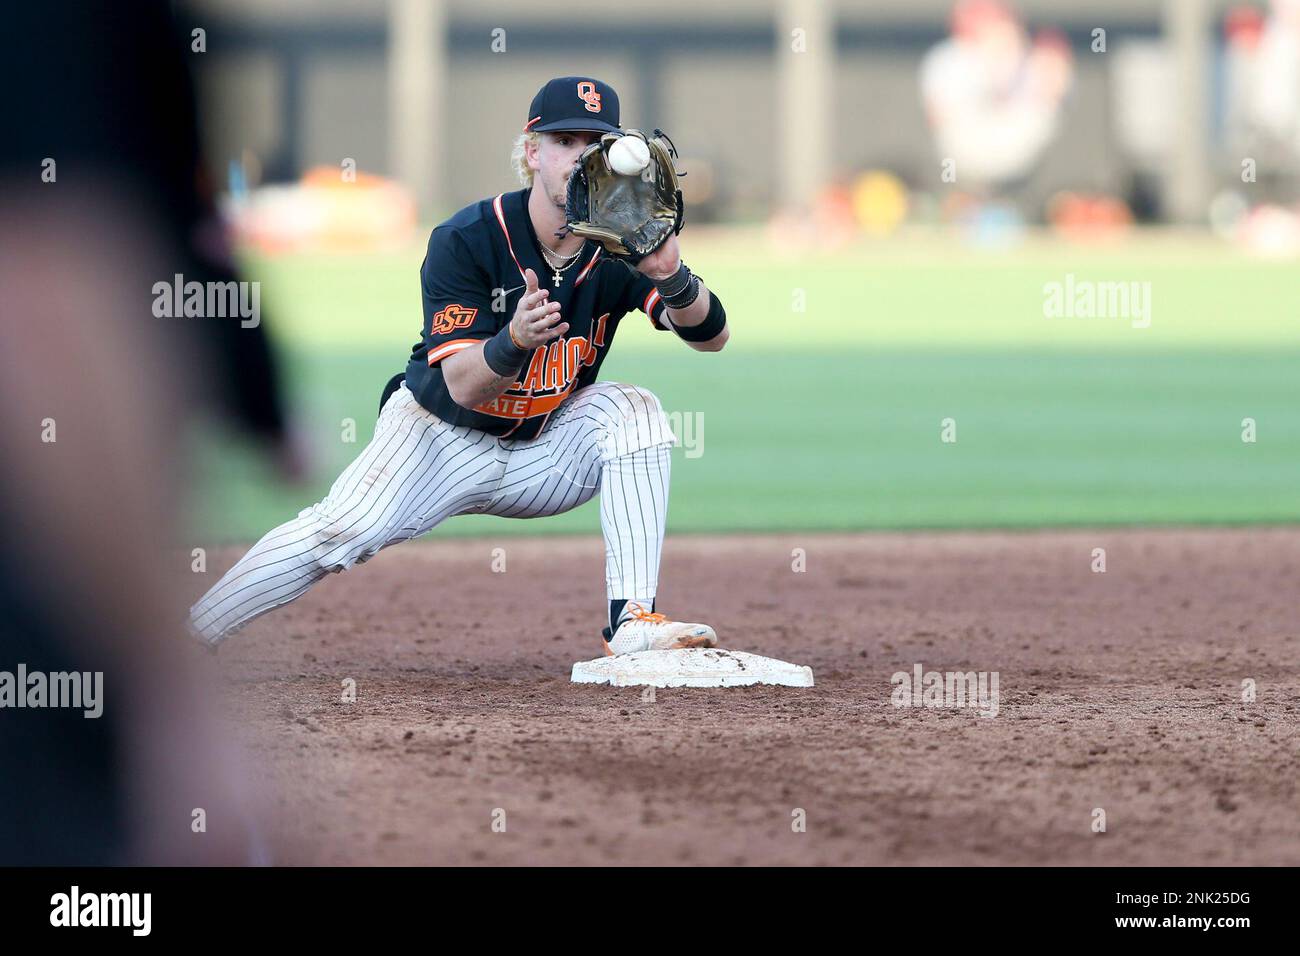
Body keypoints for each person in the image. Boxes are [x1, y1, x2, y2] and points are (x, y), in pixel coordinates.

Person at [189, 77, 730, 656]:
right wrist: (515, 339)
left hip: (543, 452)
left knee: (635, 413)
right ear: (531, 152)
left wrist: (670, 275)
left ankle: (633, 623)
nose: (579, 156)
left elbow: (711, 335)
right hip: (437, 439)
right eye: (564, 140)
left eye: (594, 143)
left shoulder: (619, 245)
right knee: (337, 532)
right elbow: (463, 385)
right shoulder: (468, 237)